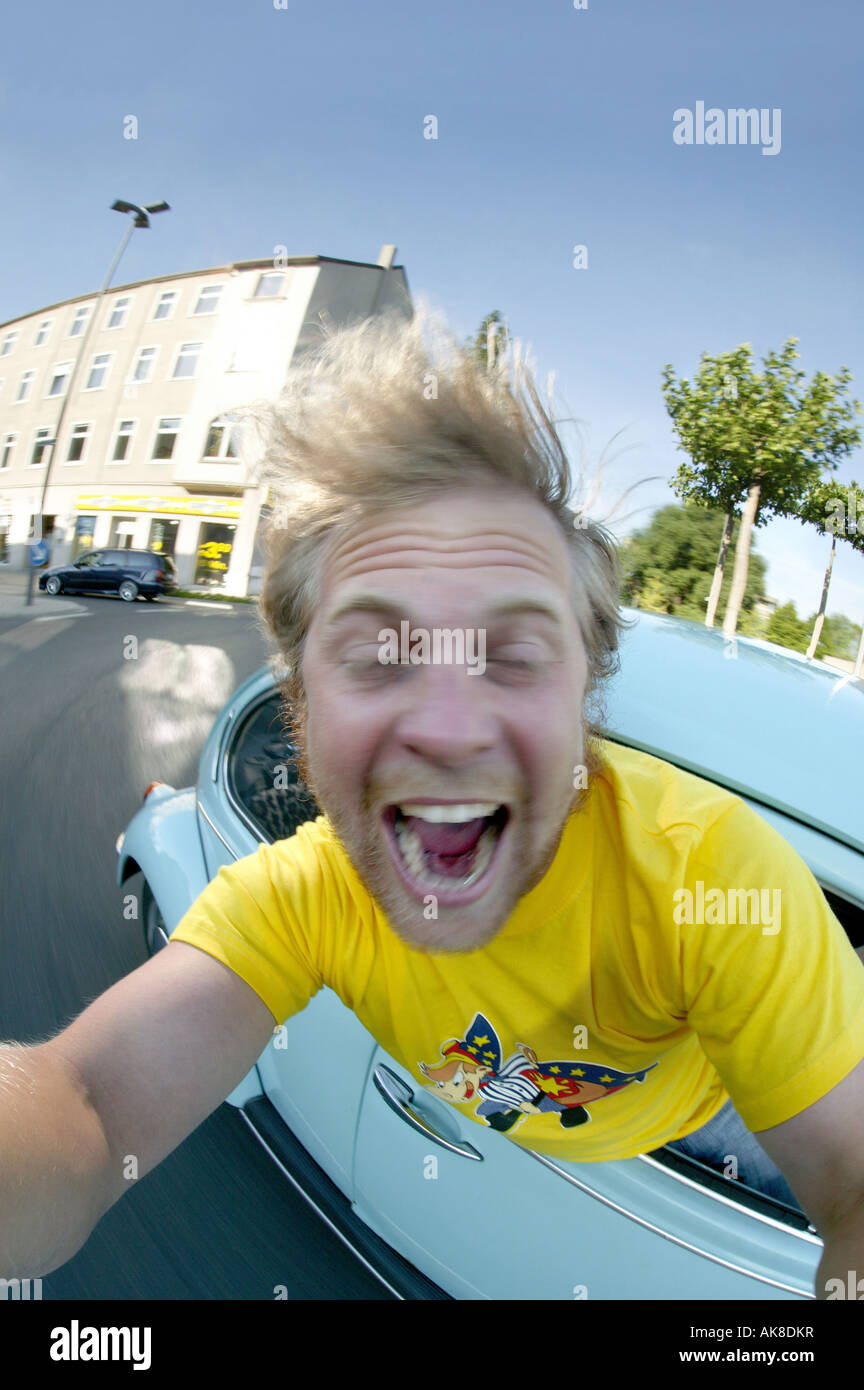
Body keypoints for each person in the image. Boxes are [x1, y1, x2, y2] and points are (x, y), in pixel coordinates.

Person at [2, 311, 863, 1297]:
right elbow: (89, 1103)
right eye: (377, 654)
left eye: (511, 654)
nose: (450, 729)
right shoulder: (302, 897)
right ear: (304, 709)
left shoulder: (713, 874)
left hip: (709, 1115)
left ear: (582, 700)